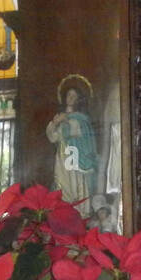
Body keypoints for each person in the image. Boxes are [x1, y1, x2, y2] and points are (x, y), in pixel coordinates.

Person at [46, 78, 99, 212]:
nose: (70, 98)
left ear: (78, 100)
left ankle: (80, 213)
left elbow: (77, 133)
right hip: (62, 155)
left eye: (74, 96)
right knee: (62, 183)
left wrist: (67, 121)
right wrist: (55, 123)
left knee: (77, 183)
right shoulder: (60, 116)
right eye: (69, 95)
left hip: (76, 156)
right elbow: (53, 137)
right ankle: (64, 211)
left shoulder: (81, 118)